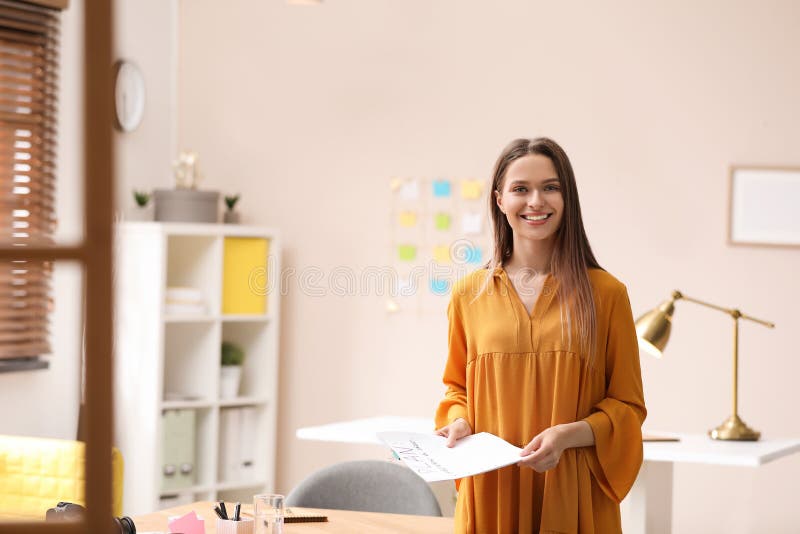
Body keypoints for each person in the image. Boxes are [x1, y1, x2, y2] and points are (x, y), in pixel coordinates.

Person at [435, 137, 646, 533]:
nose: (536, 201)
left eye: (550, 187)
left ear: (568, 199)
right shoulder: (468, 295)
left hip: (573, 491)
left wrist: (568, 436)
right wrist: (459, 422)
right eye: (521, 189)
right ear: (500, 200)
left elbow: (628, 407)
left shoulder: (607, 295)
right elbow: (456, 390)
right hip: (491, 490)